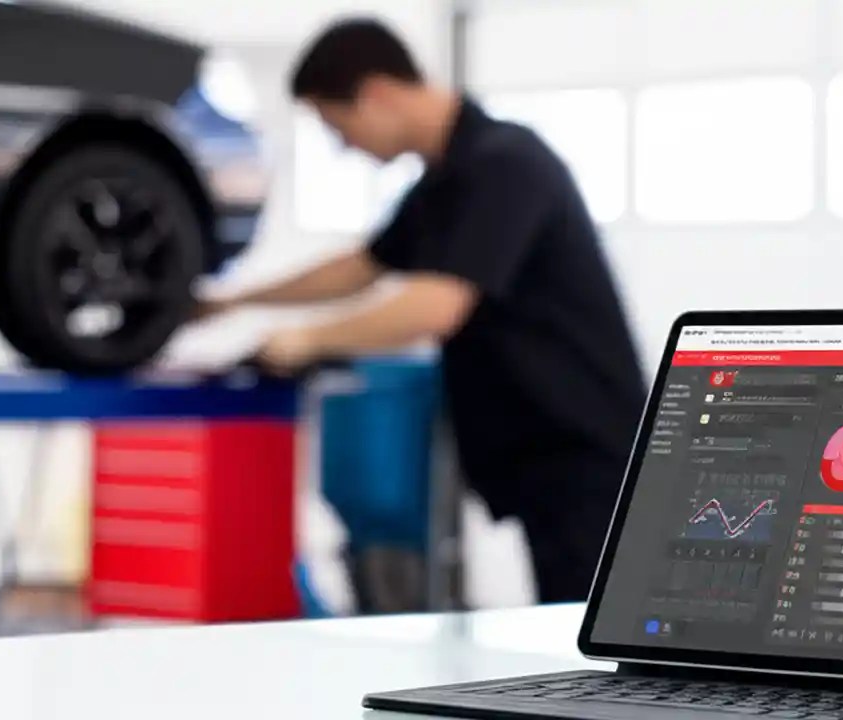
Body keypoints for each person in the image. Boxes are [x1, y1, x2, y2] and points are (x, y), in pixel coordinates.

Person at [200, 19, 645, 603]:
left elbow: (437, 306)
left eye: (340, 126)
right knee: (568, 625)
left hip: (586, 456)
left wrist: (305, 341)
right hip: (540, 458)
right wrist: (228, 300)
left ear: (378, 94)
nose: (345, 146)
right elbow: (359, 268)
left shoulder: (505, 163)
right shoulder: (447, 178)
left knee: (589, 635)